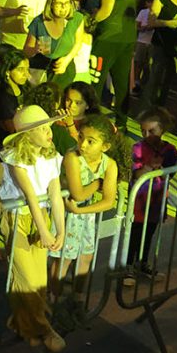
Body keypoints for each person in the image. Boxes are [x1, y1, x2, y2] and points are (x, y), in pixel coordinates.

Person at [0, 105, 67, 353]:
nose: (49, 132)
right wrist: (45, 231)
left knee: (37, 281)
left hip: (41, 218)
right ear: (28, 135)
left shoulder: (51, 156)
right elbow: (30, 197)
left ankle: (22, 324)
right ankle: (46, 330)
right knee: (26, 279)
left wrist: (60, 230)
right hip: (17, 219)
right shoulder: (15, 159)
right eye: (42, 128)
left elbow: (55, 196)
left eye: (48, 126)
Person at [49, 113, 121, 301]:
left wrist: (81, 210)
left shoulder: (110, 164)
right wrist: (98, 183)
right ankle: (53, 297)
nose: (82, 144)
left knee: (85, 257)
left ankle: (77, 297)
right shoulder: (73, 157)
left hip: (85, 215)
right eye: (81, 137)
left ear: (105, 146)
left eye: (91, 141)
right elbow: (78, 193)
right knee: (63, 259)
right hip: (65, 214)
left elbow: (108, 201)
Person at [127, 108, 177, 280]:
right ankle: (127, 266)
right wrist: (149, 167)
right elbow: (136, 173)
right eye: (144, 131)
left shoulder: (170, 150)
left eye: (152, 131)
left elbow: (171, 172)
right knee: (135, 234)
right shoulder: (138, 148)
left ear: (162, 130)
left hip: (156, 200)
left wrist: (161, 169)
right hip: (139, 201)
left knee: (148, 234)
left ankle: (142, 263)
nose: (147, 135)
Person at [88, 0, 138, 112]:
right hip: (128, 36)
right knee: (121, 82)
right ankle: (122, 122)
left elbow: (106, 10)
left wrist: (89, 22)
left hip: (109, 37)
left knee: (96, 78)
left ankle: (92, 118)